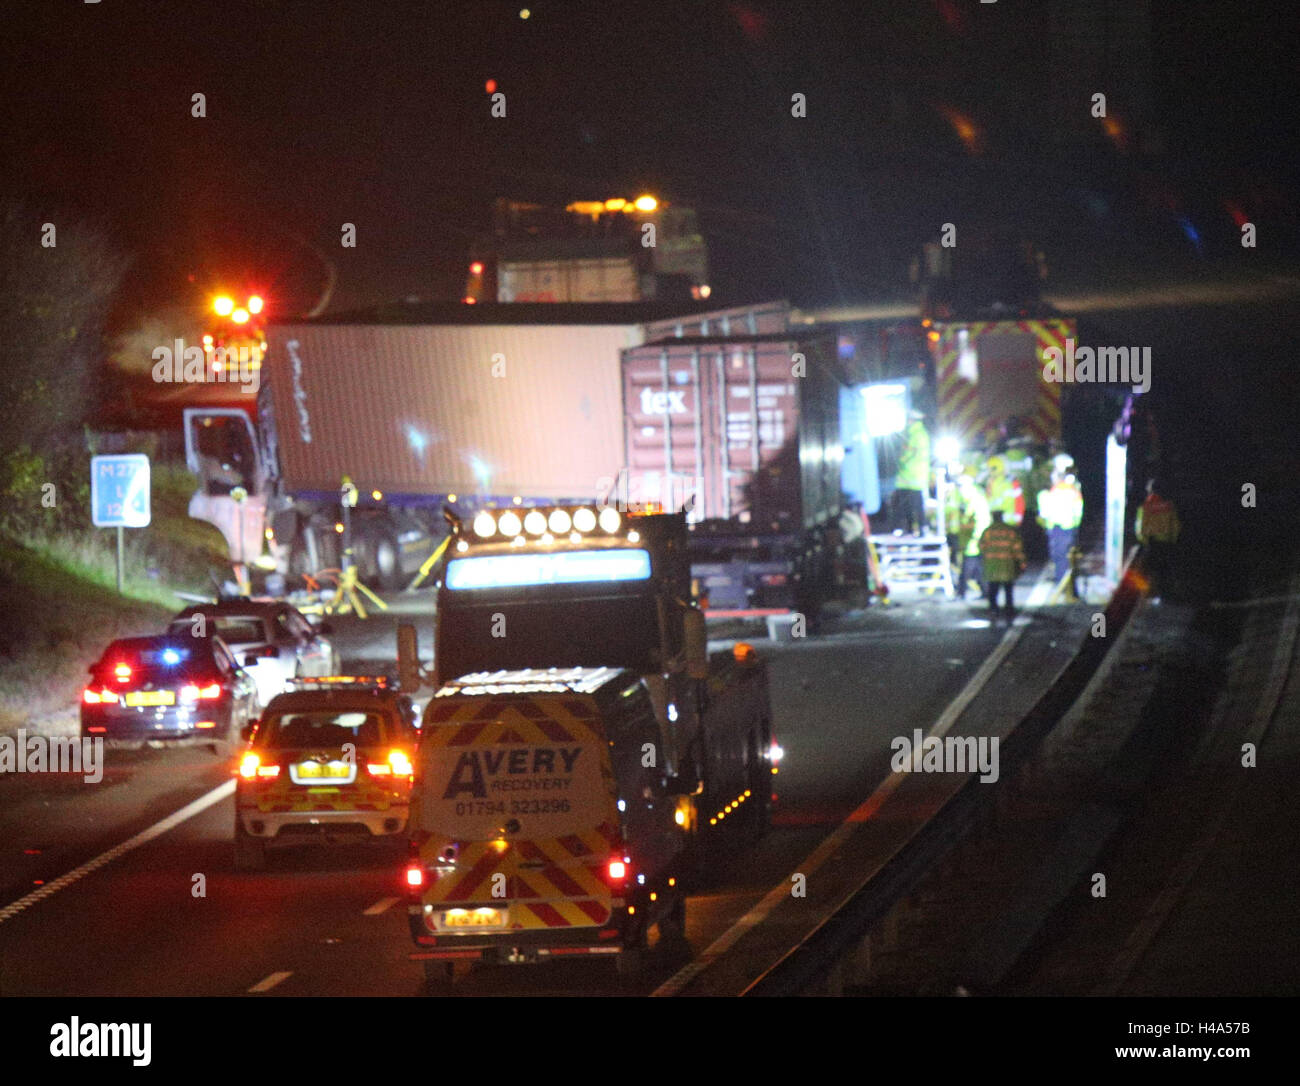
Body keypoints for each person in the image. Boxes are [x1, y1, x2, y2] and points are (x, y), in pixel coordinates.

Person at [1037, 469, 1084, 592]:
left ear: (1056, 479)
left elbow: (1045, 513)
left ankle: (1062, 584)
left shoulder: (1051, 493)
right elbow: (1079, 511)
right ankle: (1070, 586)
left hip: (1057, 529)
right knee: (1070, 559)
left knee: (1059, 558)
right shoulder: (1074, 491)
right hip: (1071, 528)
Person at [1135, 478, 1181, 601]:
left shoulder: (1145, 507)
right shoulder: (1169, 506)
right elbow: (1176, 526)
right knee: (1164, 570)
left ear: (1150, 490)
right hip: (1166, 542)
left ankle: (1148, 595)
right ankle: (1164, 595)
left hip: (1152, 542)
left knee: (1147, 569)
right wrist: (1172, 540)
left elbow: (1140, 528)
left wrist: (1144, 541)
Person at [979, 509, 1026, 619]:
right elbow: (1017, 548)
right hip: (1007, 566)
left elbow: (982, 547)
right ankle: (1009, 610)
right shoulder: (1010, 531)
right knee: (1008, 590)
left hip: (992, 566)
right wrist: (1022, 563)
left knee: (993, 590)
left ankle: (993, 609)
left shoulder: (987, 532)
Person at [893, 409, 930, 534]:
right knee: (913, 505)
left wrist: (899, 461)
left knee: (912, 505)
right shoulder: (917, 433)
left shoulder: (916, 435)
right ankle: (916, 529)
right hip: (912, 476)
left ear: (912, 420)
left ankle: (916, 529)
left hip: (911, 475)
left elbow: (910, 453)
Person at [955, 473, 990, 601]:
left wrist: (975, 538)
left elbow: (979, 521)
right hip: (975, 541)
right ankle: (986, 592)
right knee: (979, 569)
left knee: (966, 569)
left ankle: (961, 593)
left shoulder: (976, 500)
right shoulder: (972, 499)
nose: (960, 491)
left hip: (975, 541)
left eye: (961, 488)